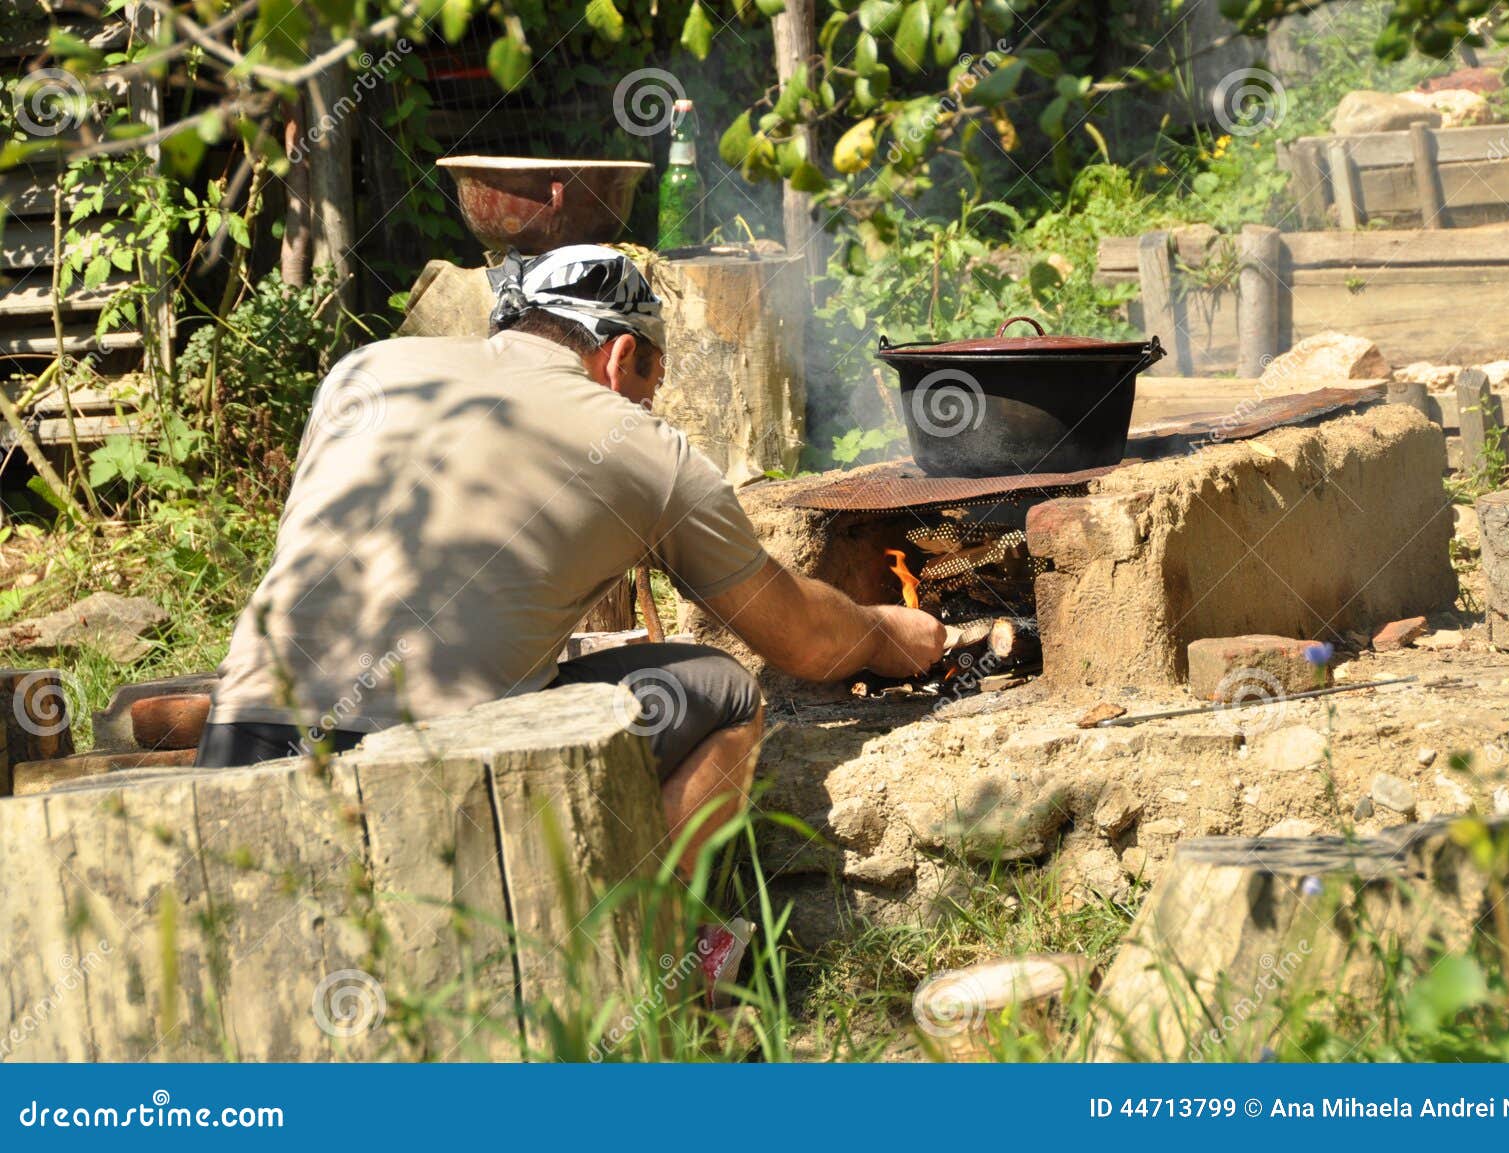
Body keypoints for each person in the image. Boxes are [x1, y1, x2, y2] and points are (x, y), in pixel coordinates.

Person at [197, 244, 947, 875]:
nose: (649, 407)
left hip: (238, 751)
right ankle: (658, 973)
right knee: (723, 691)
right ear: (622, 355)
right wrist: (885, 634)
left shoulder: (363, 370)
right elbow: (803, 640)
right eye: (654, 382)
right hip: (423, 783)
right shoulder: (639, 447)